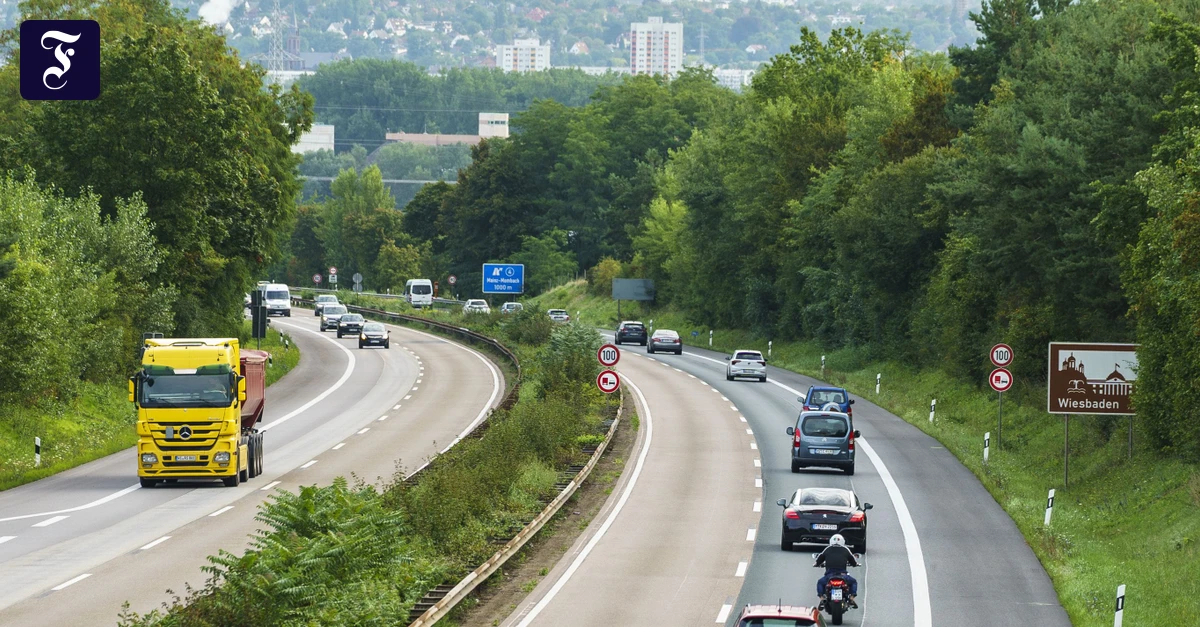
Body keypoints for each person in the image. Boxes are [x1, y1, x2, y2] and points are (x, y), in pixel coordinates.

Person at [814, 534, 860, 609]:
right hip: (842, 575)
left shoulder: (827, 549)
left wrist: (816, 564)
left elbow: (820, 559)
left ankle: (822, 599)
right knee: (853, 582)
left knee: (820, 582)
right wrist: (855, 564)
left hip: (830, 575)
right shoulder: (846, 549)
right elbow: (852, 560)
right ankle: (851, 598)